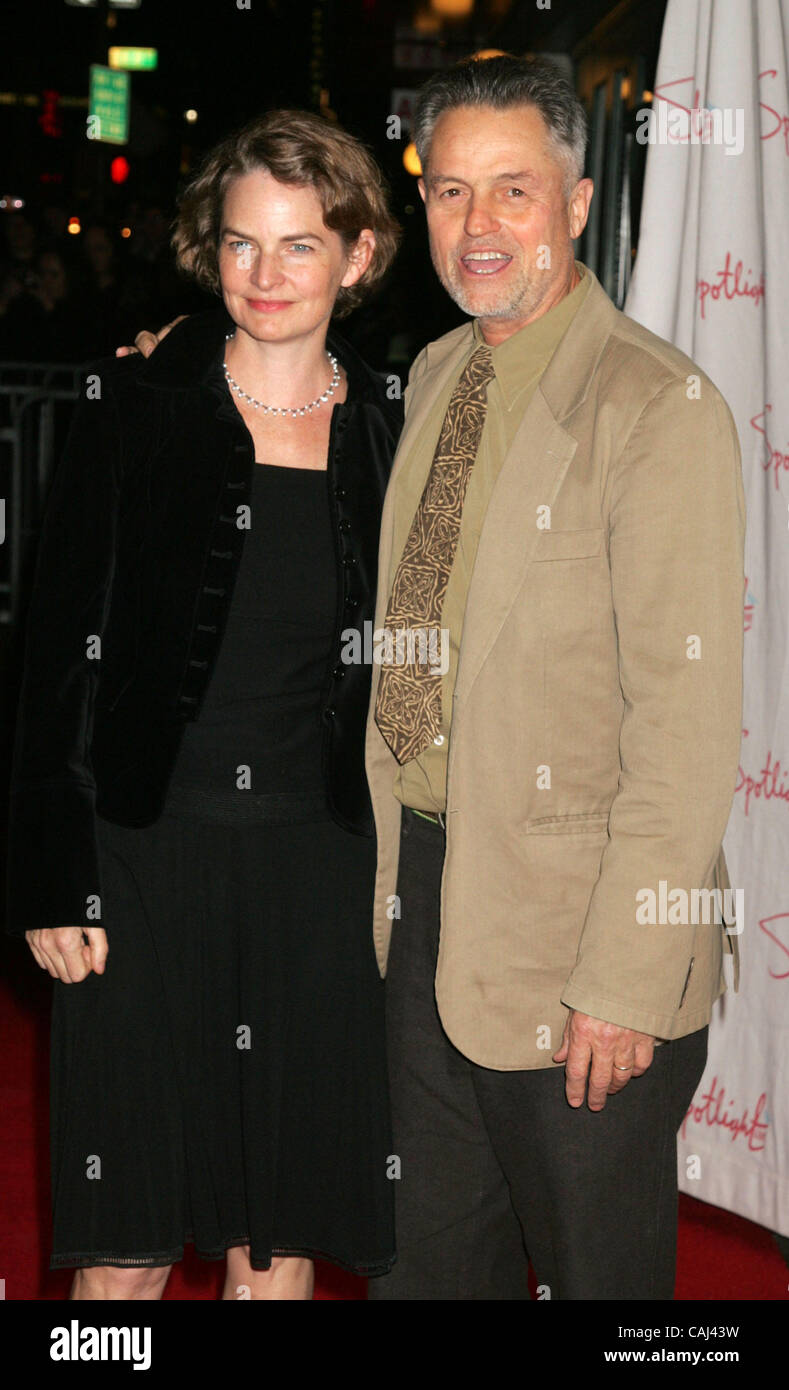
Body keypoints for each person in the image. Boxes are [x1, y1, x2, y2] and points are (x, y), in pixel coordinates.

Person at [362, 55, 744, 1300]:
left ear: (577, 205)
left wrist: (624, 982)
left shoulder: (656, 403)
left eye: (512, 191)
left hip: (582, 938)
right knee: (428, 1275)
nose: (477, 227)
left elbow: (686, 727)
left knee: (601, 1291)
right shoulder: (432, 376)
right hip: (424, 902)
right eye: (450, 192)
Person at [5, 109, 402, 1300]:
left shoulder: (397, 425)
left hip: (315, 882)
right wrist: (49, 869)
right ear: (209, 251)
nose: (265, 275)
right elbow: (53, 667)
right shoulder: (138, 403)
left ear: (359, 256)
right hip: (140, 867)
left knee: (269, 1248)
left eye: (297, 246)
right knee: (120, 1248)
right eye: (240, 245)